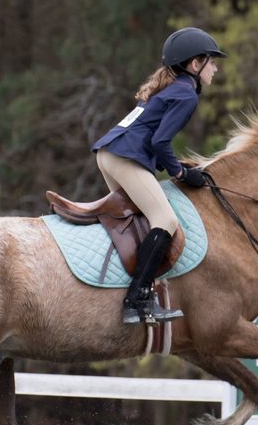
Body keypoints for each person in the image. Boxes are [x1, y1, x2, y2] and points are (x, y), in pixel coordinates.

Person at [91, 27, 227, 325]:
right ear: (195, 64)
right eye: (212, 62)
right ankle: (136, 299)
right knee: (165, 220)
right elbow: (159, 143)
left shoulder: (171, 87)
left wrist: (176, 166)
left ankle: (117, 290)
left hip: (109, 154)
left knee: (138, 222)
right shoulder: (186, 94)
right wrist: (179, 172)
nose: (215, 68)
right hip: (125, 158)